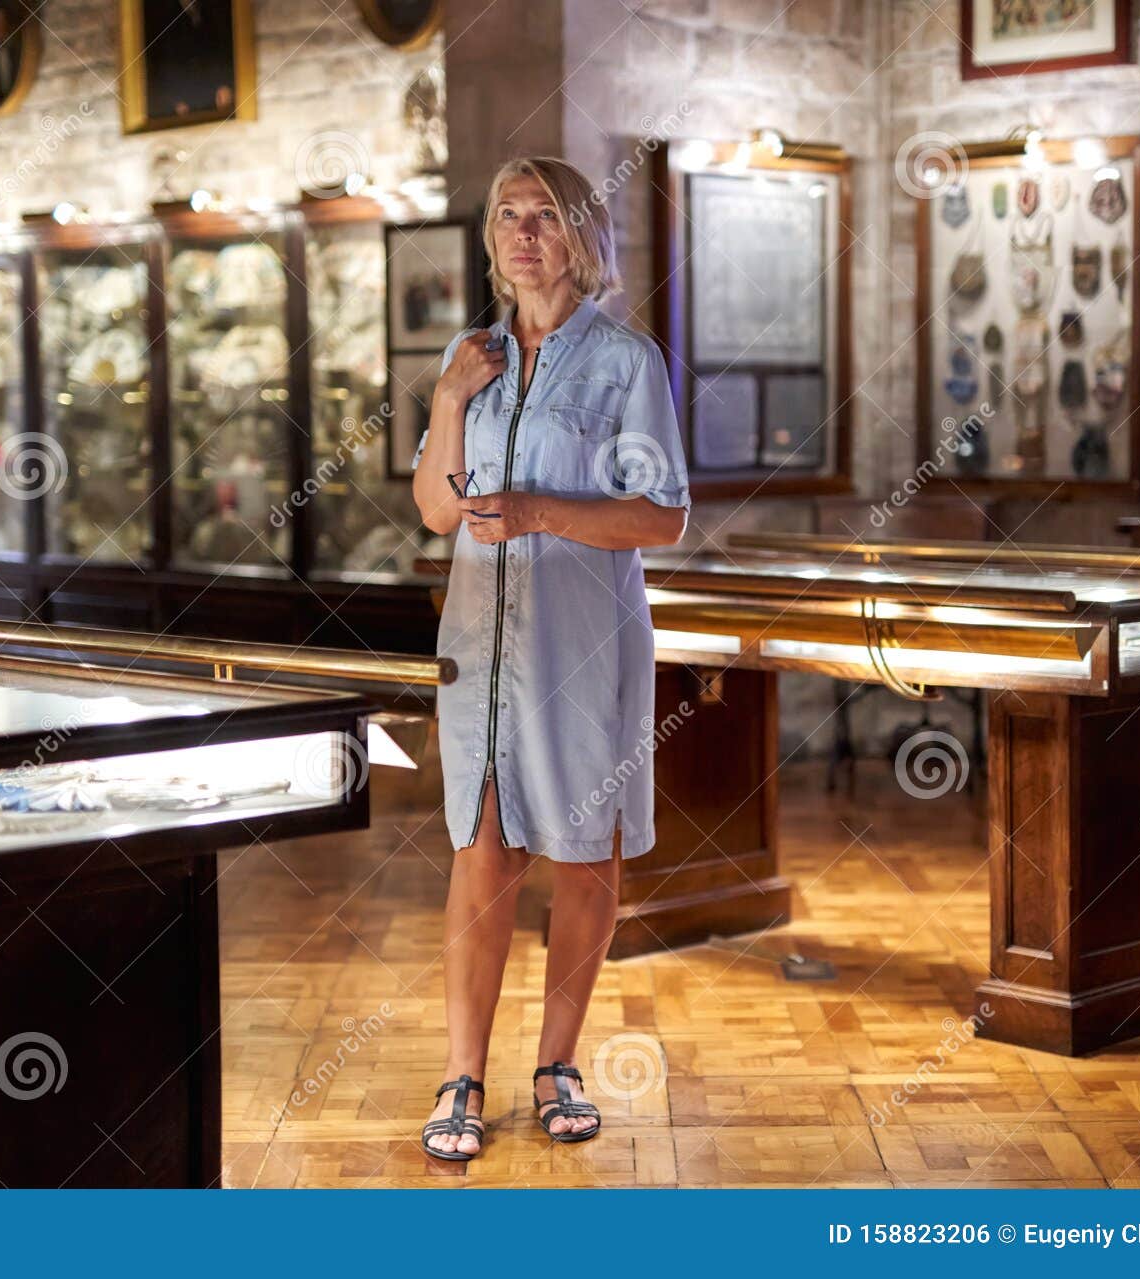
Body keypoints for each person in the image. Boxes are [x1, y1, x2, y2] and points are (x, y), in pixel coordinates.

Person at [408, 156, 691, 1160]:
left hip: (584, 646)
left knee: (583, 855)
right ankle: (462, 1074)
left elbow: (662, 516)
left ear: (580, 234)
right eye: (507, 217)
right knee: (480, 858)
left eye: (544, 217)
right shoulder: (469, 354)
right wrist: (447, 399)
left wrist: (537, 510)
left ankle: (557, 1061)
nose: (523, 234)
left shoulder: (627, 362)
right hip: (478, 649)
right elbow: (438, 507)